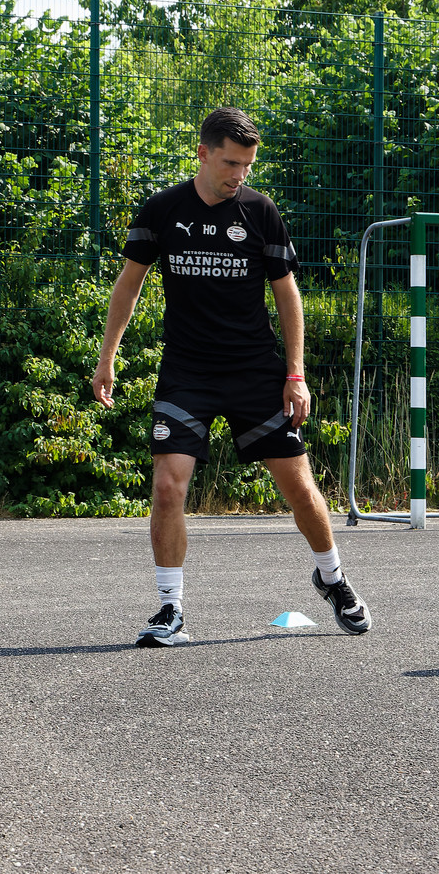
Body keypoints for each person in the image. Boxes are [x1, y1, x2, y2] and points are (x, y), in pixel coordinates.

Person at [91, 107, 371, 648]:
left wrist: (296, 373)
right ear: (202, 153)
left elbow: (287, 294)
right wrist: (108, 358)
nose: (238, 174)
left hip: (254, 373)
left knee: (300, 489)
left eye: (246, 165)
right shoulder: (162, 210)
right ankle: (171, 608)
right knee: (168, 487)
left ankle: (332, 579)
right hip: (187, 374)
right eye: (229, 163)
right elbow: (129, 285)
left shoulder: (260, 212)